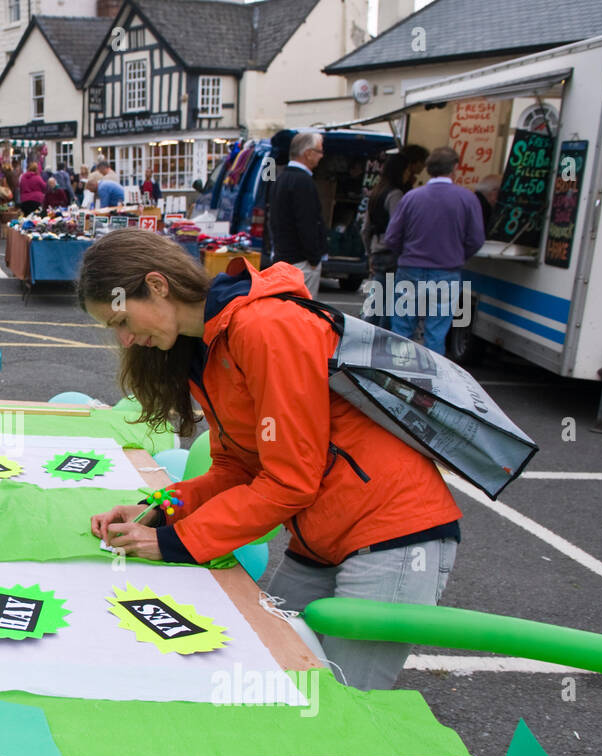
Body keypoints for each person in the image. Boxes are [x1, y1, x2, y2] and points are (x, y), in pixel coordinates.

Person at [79, 229, 462, 690]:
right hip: (322, 534)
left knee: (343, 705)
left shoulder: (265, 327)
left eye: (120, 320)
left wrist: (173, 543)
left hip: (394, 533)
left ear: (158, 286)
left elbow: (288, 482)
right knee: (273, 672)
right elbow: (235, 470)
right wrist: (161, 508)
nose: (124, 339)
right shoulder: (208, 343)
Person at [380, 146, 485, 355]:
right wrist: (458, 254)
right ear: (455, 168)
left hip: (410, 268)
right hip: (446, 271)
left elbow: (391, 238)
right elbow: (476, 239)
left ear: (428, 169)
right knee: (436, 332)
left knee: (401, 328)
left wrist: (407, 252)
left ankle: (398, 376)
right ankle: (431, 381)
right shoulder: (467, 199)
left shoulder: (411, 198)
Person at [268, 131, 328, 295]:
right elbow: (307, 222)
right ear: (308, 153)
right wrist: (314, 257)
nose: (321, 156)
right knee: (304, 311)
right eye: (319, 151)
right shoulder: (304, 182)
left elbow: (273, 220)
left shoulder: (280, 179)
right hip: (301, 261)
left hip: (283, 256)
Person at [360, 152, 410, 325]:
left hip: (377, 250)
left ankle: (368, 336)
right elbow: (398, 227)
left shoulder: (376, 193)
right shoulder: (396, 194)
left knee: (377, 301)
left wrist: (369, 253)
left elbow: (365, 228)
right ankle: (381, 341)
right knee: (390, 305)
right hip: (392, 253)